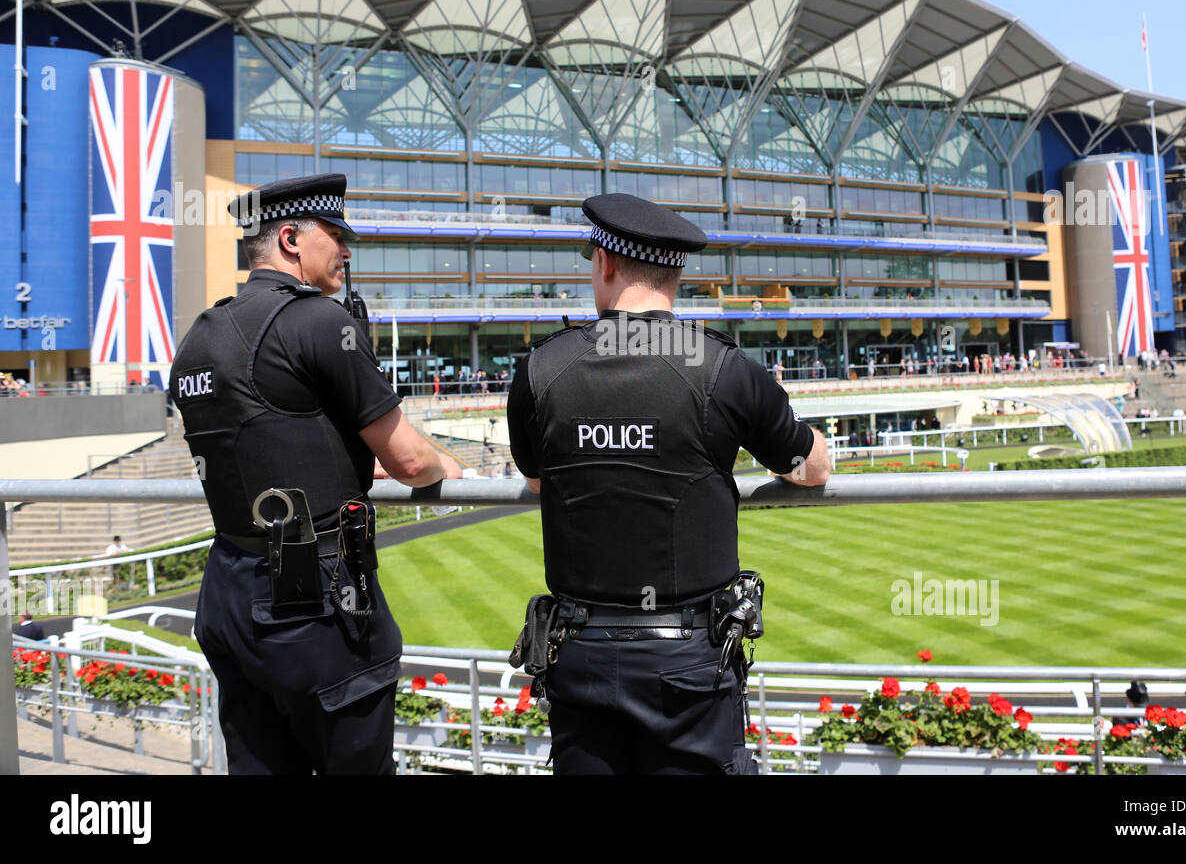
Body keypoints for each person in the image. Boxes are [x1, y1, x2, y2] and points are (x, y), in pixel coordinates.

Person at [507, 193, 830, 775]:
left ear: (604, 264)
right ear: (677, 272)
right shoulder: (724, 370)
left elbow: (536, 481)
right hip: (688, 667)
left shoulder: (539, 371)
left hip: (578, 655)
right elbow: (811, 470)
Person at [169, 173, 461, 775]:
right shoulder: (319, 322)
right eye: (336, 234)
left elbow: (265, 438)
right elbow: (412, 460)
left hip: (228, 585)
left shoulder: (199, 336)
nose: (347, 250)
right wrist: (443, 465)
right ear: (292, 238)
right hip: (315, 598)